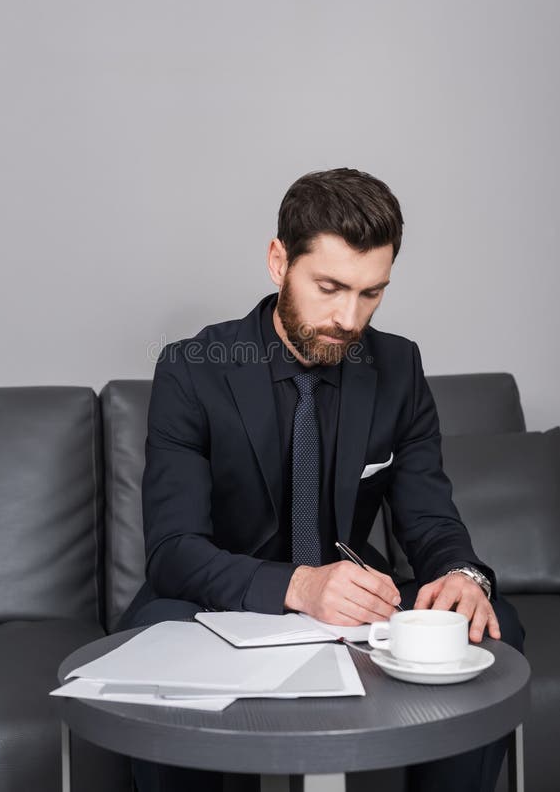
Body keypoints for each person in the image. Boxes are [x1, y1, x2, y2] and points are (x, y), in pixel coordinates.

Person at [118, 168, 524, 792]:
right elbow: (173, 552)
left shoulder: (398, 365)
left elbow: (431, 520)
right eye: (330, 287)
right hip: (220, 601)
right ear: (279, 261)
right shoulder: (192, 369)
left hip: (359, 608)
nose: (349, 317)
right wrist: (298, 586)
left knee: (492, 622)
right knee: (154, 629)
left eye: (372, 293)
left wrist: (462, 578)